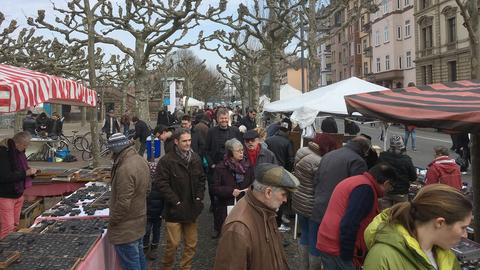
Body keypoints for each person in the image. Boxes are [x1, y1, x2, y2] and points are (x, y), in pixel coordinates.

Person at [363, 184, 472, 270]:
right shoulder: (382, 257)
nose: (465, 235)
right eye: (463, 228)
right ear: (440, 223)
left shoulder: (446, 255)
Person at [214, 163, 300, 270]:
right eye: (283, 194)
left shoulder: (266, 209)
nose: (285, 200)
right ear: (268, 192)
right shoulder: (238, 228)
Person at [316, 163, 397, 269]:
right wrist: (348, 256)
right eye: (390, 188)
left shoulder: (357, 181)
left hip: (328, 240)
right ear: (386, 183)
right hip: (338, 248)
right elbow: (349, 223)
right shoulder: (365, 190)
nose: (387, 192)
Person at [154, 128, 206, 270]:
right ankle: (167, 267)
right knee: (173, 244)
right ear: (176, 142)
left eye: (189, 140)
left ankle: (185, 267)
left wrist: (199, 198)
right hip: (174, 210)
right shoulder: (167, 161)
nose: (188, 143)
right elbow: (161, 183)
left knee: (191, 244)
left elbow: (202, 179)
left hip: (191, 208)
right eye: (185, 141)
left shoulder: (195, 158)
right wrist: (175, 201)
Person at [310, 136, 370, 241]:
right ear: (364, 149)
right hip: (337, 212)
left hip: (319, 205)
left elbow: (316, 180)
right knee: (330, 247)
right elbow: (357, 192)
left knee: (315, 242)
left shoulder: (329, 155)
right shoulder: (357, 161)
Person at [292, 133, 337, 270]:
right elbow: (321, 184)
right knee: (314, 239)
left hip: (299, 199)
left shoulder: (301, 151)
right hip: (312, 204)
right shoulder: (319, 161)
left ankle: (302, 266)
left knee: (304, 234)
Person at [106, 133, 150, 270]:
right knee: (139, 259)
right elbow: (148, 189)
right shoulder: (140, 160)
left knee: (132, 264)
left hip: (126, 228)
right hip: (138, 220)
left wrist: (112, 221)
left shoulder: (125, 168)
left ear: (116, 150)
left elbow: (123, 203)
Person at [212, 138, 254, 238]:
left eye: (242, 150)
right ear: (230, 153)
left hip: (245, 205)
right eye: (238, 151)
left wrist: (250, 188)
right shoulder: (221, 168)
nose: (241, 153)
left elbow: (254, 182)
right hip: (227, 206)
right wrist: (230, 191)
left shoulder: (248, 165)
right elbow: (214, 188)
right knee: (229, 235)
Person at [0, 132, 37, 239]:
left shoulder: (17, 153)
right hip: (5, 195)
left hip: (18, 194)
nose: (26, 148)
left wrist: (30, 172)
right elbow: (5, 177)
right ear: (18, 143)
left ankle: (11, 248)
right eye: (25, 145)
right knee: (8, 227)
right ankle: (3, 252)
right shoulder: (3, 154)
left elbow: (21, 170)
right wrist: (26, 173)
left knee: (15, 225)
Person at [205, 108, 242, 211]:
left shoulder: (235, 130)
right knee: (215, 186)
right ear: (217, 119)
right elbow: (206, 150)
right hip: (216, 165)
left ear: (228, 118)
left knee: (229, 187)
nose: (224, 120)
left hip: (231, 166)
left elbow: (240, 147)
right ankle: (214, 204)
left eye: (225, 118)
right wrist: (211, 164)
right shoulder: (211, 131)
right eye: (221, 118)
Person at [377, 135, 417, 209]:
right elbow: (413, 177)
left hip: (386, 190)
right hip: (401, 192)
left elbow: (378, 171)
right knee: (400, 215)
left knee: (384, 215)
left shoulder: (382, 156)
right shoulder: (406, 159)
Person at [143, 161, 164, 260]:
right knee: (147, 231)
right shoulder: (144, 184)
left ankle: (153, 248)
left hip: (157, 214)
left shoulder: (161, 185)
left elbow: (165, 200)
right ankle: (145, 247)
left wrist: (163, 212)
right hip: (147, 213)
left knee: (156, 231)